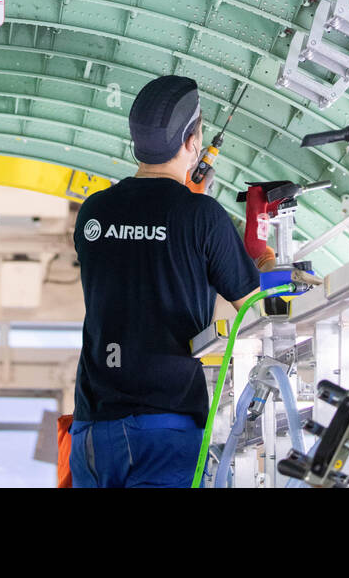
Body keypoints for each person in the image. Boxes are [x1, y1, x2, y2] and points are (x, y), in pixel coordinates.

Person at [70, 74, 262, 488]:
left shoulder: (94, 213)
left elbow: (139, 259)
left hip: (93, 429)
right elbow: (254, 302)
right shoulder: (201, 216)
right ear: (193, 144)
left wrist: (187, 208)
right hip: (164, 430)